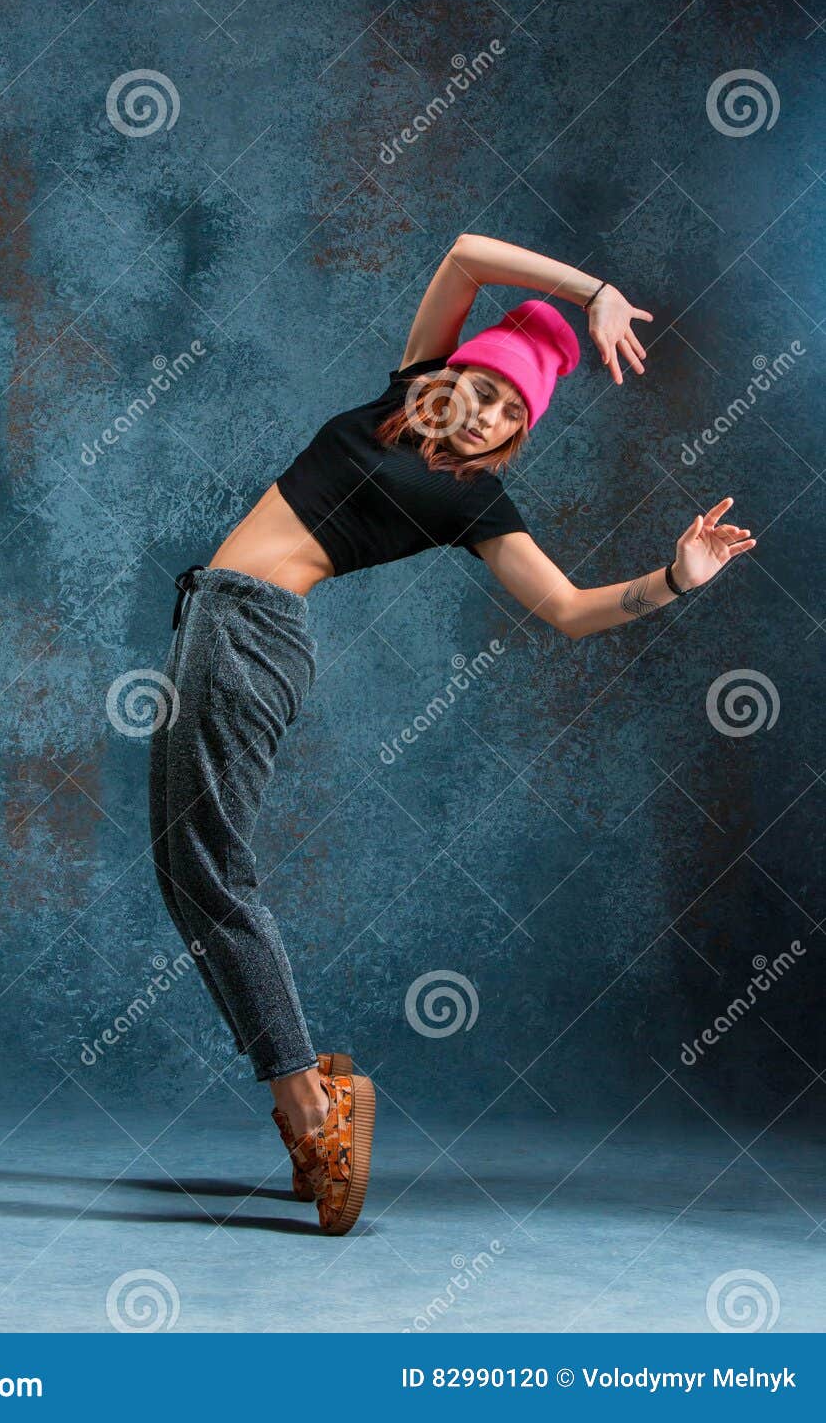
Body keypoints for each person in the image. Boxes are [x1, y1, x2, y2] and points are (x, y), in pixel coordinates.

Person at [148, 234, 756, 1235]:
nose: (491, 411)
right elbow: (468, 256)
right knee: (188, 869)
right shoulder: (409, 390)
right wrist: (596, 288)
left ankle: (310, 1107)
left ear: (516, 436)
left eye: (515, 411)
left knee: (209, 872)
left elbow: (564, 608)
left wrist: (675, 579)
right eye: (485, 387)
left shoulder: (473, 502)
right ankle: (314, 1094)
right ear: (451, 380)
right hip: (215, 620)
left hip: (247, 631)